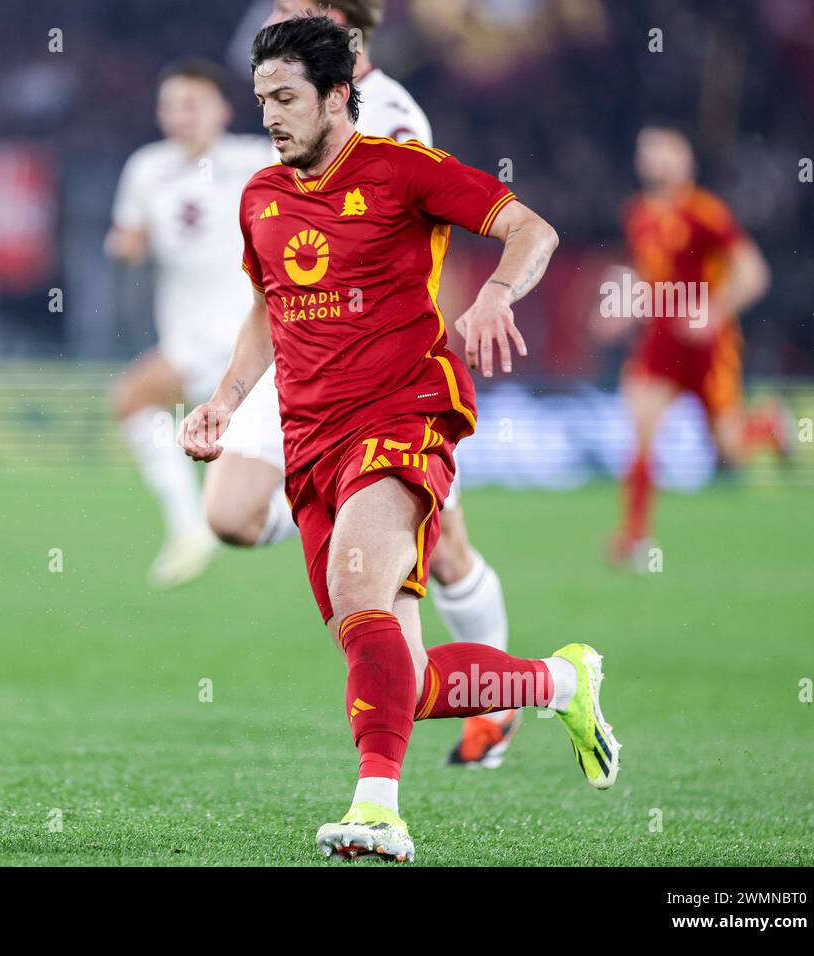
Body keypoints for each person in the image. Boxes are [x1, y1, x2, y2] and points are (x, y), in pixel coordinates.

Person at [180, 16, 618, 862]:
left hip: (403, 414)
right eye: (262, 99)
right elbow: (267, 309)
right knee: (403, 681)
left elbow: (534, 231)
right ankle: (564, 682)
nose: (270, 117)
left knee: (358, 593)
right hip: (310, 442)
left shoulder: (401, 169)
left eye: (287, 99)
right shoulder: (260, 197)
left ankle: (377, 809)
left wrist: (495, 295)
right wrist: (227, 401)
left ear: (339, 95)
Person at [206, 0, 519, 769]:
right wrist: (224, 397)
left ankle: (497, 712)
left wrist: (486, 303)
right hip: (302, 364)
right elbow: (275, 266)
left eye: (296, 6)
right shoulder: (284, 110)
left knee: (441, 558)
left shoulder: (395, 123)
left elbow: (419, 238)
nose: (278, 12)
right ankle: (539, 684)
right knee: (230, 511)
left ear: (342, 27)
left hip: (389, 382)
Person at [106, 59, 274, 588]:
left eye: (192, 104)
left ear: (222, 110)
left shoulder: (258, 158)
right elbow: (127, 239)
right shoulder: (147, 168)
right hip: (185, 334)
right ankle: (193, 527)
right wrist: (124, 247)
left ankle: (201, 526)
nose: (181, 115)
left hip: (249, 335)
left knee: (276, 460)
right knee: (134, 400)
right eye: (171, 105)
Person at [608, 125, 789, 567]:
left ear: (685, 160)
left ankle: (768, 426)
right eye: (648, 152)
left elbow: (753, 272)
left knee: (729, 449)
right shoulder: (638, 215)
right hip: (659, 344)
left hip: (709, 349)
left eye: (665, 151)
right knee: (641, 432)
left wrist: (714, 309)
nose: (656, 159)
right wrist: (618, 306)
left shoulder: (706, 212)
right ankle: (634, 540)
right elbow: (644, 275)